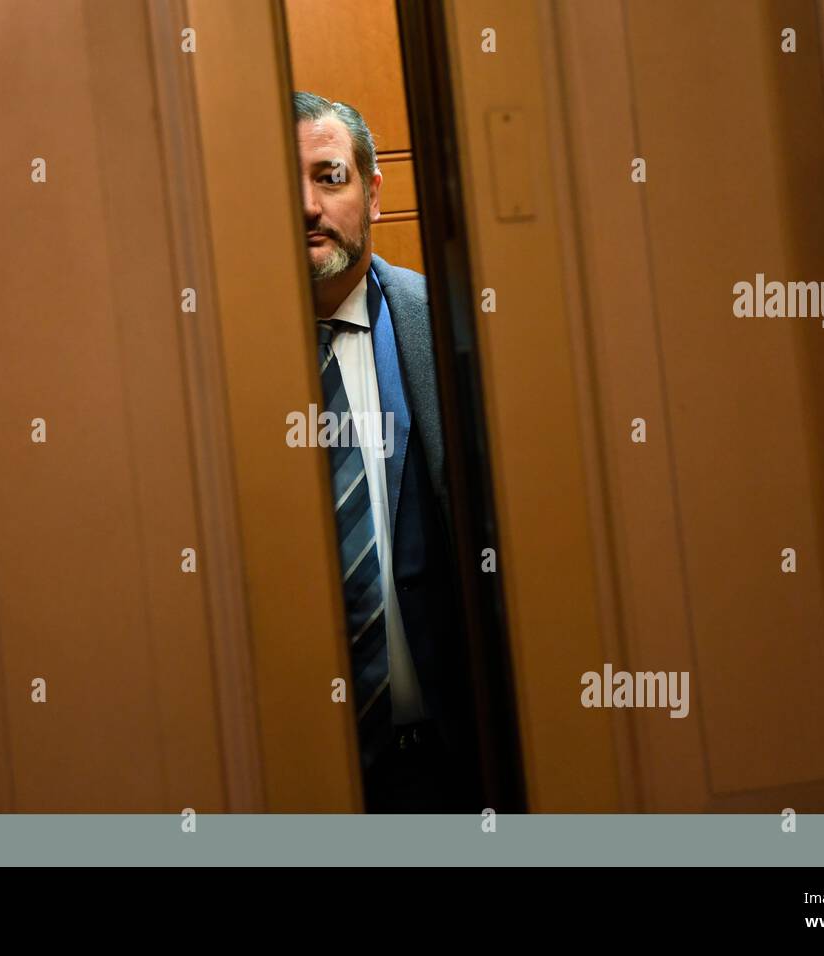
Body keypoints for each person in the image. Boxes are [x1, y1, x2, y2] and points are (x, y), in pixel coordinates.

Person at [294, 91, 481, 812]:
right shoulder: (220, 365)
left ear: (372, 193)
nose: (308, 206)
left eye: (330, 176)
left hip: (455, 762)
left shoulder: (449, 326)